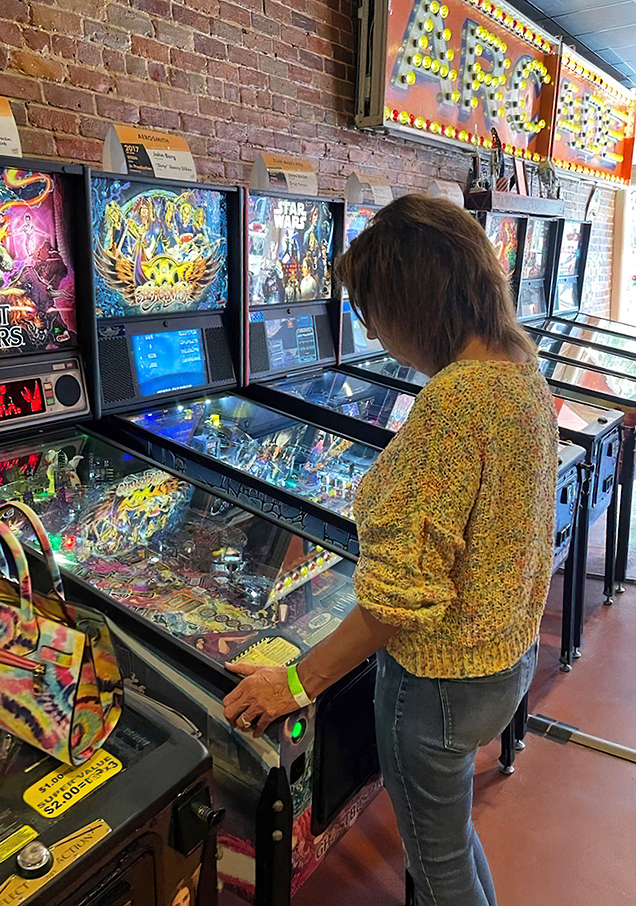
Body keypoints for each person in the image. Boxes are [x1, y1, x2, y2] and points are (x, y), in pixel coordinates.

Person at [223, 194, 558, 906]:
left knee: (437, 873)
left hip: (437, 686)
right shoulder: (522, 370)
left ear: (415, 301)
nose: (369, 327)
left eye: (372, 307)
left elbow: (397, 601)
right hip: (503, 662)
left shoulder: (455, 400)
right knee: (452, 844)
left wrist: (292, 683)